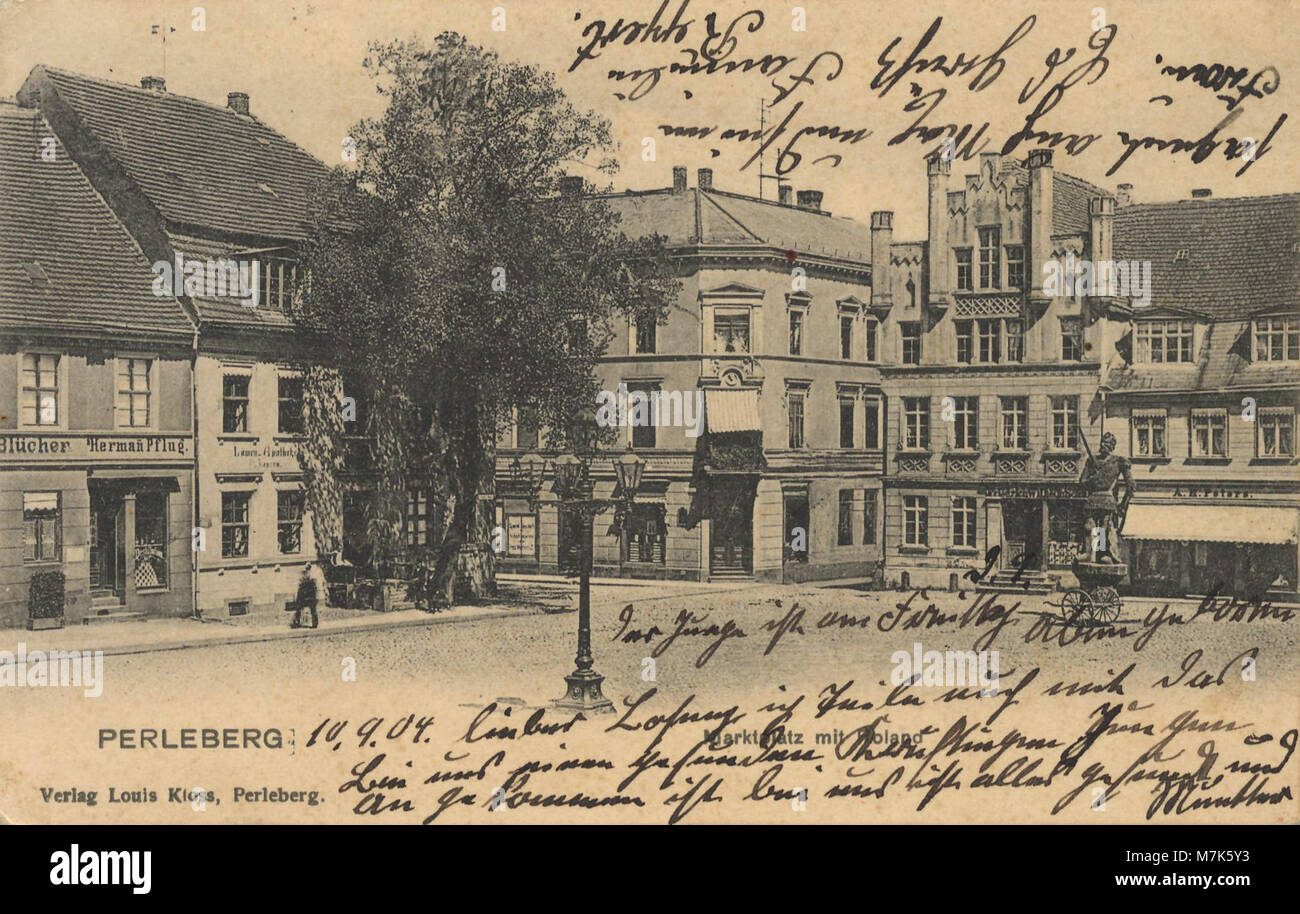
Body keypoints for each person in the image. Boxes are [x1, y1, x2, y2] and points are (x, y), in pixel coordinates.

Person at [1079, 431, 1135, 564]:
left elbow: (1131, 485)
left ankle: (1104, 555)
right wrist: (1093, 478)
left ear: (1112, 446)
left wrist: (1123, 504)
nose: (1104, 445)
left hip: (1108, 500)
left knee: (1105, 529)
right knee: (1089, 527)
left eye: (1108, 443)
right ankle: (1087, 552)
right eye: (1103, 442)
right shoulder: (1092, 461)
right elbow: (1082, 482)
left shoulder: (1118, 461)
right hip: (1092, 499)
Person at [294, 563, 319, 629]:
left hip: (306, 595)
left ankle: (298, 622)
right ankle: (314, 623)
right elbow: (315, 587)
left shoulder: (303, 576)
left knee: (299, 609)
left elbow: (299, 586)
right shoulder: (312, 576)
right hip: (309, 595)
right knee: (312, 610)